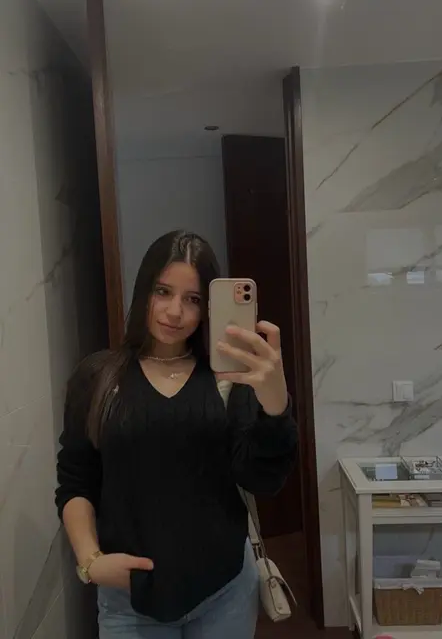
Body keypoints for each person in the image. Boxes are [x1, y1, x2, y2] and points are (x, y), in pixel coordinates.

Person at [55, 230, 298, 639]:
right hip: (129, 599)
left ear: (207, 308)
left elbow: (262, 480)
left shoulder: (228, 380)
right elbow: (76, 480)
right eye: (163, 291)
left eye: (193, 299)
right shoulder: (98, 378)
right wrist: (90, 561)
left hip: (224, 590)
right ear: (143, 290)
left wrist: (275, 404)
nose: (174, 312)